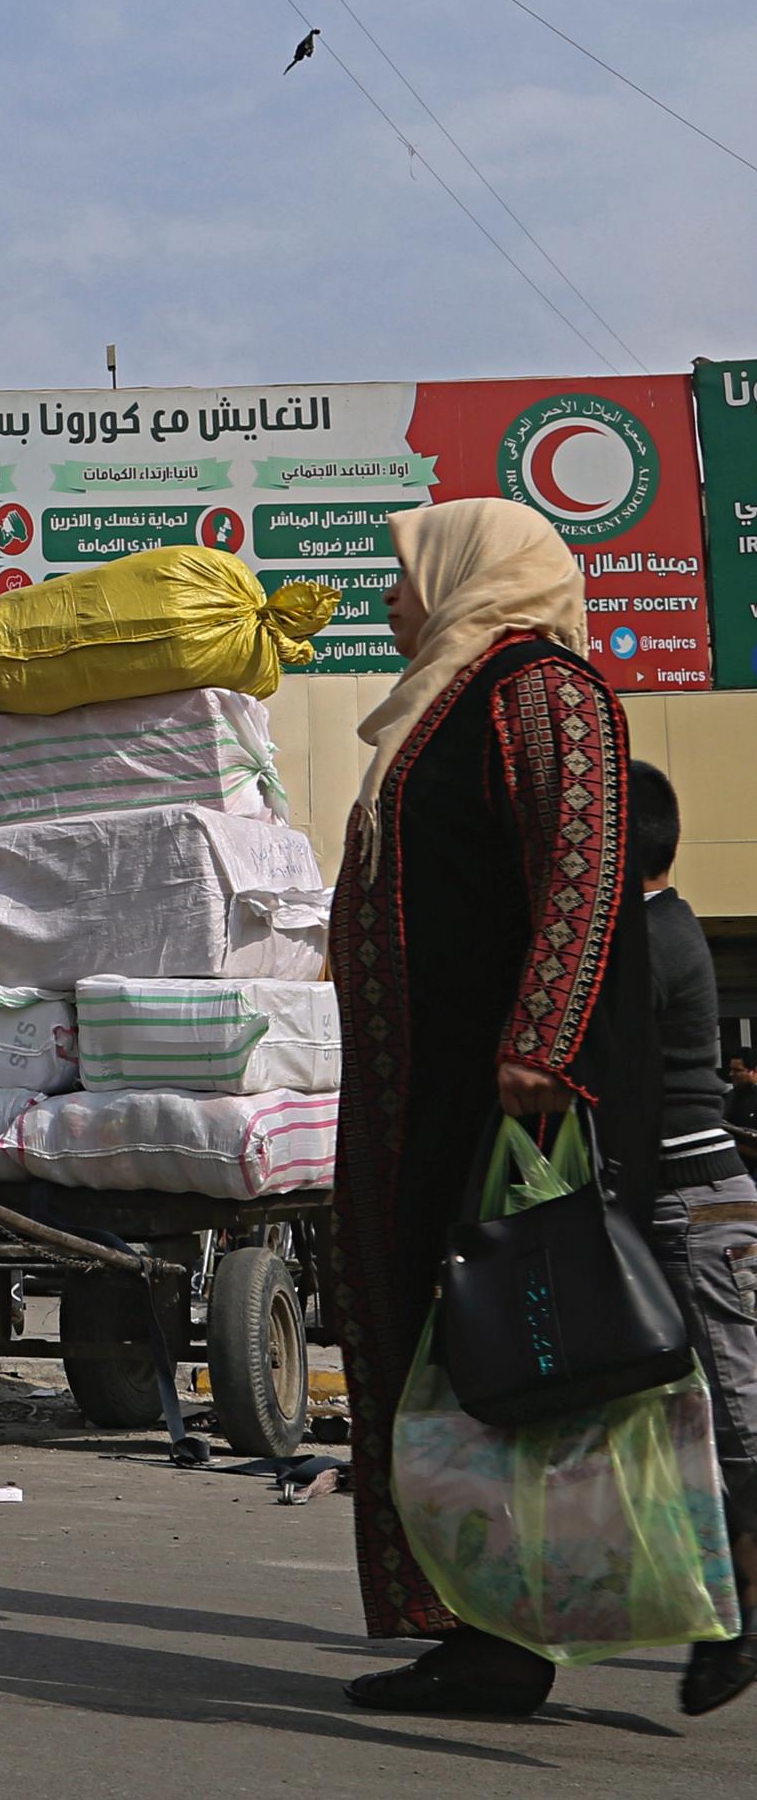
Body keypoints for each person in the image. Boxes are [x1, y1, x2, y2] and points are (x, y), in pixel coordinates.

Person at [330, 500, 665, 1717]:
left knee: (505, 1360)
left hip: (505, 1101)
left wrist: (540, 1046)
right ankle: (475, 1626)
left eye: (404, 576)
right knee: (442, 1360)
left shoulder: (542, 689)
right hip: (428, 1104)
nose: (388, 598)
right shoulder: (444, 705)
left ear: (472, 575)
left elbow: (583, 868)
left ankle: (511, 1639)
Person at [627, 760, 757, 1715]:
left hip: (696, 1208)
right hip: (685, 1206)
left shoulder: (646, 938)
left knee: (740, 1432)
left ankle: (743, 1627)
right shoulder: (661, 926)